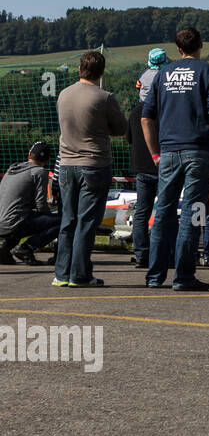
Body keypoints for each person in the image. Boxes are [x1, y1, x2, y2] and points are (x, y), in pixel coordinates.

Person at [142, 27, 209, 292]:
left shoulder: (162, 75)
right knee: (194, 214)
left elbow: (146, 117)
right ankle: (184, 277)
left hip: (167, 152)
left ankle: (155, 276)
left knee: (163, 211)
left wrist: (155, 152)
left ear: (177, 49)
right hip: (199, 151)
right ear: (201, 44)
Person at [55, 50, 127, 288]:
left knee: (68, 219)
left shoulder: (64, 94)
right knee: (86, 222)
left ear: (79, 69)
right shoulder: (104, 97)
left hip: (66, 164)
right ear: (102, 72)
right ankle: (80, 274)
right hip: (94, 163)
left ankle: (62, 273)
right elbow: (120, 128)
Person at [0, 142, 58, 265]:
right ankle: (27, 248)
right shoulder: (40, 172)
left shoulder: (12, 168)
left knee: (20, 215)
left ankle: (4, 248)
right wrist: (49, 216)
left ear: (29, 155)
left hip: (2, 221)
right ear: (47, 160)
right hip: (15, 224)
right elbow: (41, 204)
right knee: (62, 221)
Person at [125, 95, 159, 269]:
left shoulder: (136, 111)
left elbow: (129, 138)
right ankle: (162, 252)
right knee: (164, 211)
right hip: (162, 166)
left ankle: (141, 253)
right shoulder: (164, 108)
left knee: (141, 212)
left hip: (141, 167)